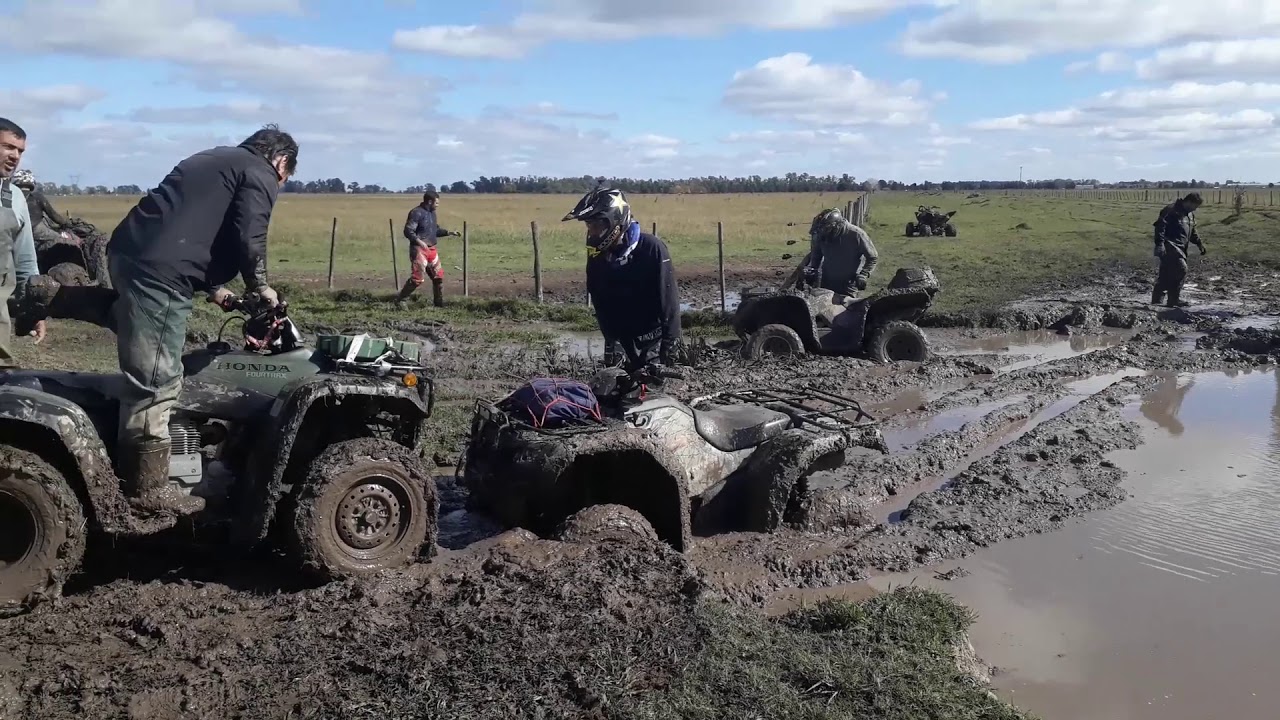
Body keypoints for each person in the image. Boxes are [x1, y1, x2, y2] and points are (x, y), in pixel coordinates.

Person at [106, 124, 297, 514]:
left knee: (130, 317)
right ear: (280, 162)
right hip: (162, 274)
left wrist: (221, 293)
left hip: (128, 253)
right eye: (285, 178)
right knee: (157, 380)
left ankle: (62, 300)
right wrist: (261, 287)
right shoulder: (260, 172)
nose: (279, 184)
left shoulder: (214, 160)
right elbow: (250, 235)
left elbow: (189, 232)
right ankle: (146, 490)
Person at [563, 186, 681, 370]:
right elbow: (599, 302)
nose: (592, 233)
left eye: (597, 226)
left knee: (651, 394)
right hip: (620, 340)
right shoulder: (597, 255)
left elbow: (670, 304)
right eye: (589, 226)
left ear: (615, 221)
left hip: (653, 341)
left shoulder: (652, 248)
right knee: (611, 392)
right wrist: (611, 341)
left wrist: (670, 348)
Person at [0, 118, 48, 367]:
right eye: (8, 147)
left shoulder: (14, 197)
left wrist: (34, 310)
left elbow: (26, 259)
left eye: (20, 151)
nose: (15, 156)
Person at [802, 207, 879, 351]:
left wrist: (864, 274)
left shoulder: (855, 234)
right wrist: (811, 271)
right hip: (827, 281)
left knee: (846, 318)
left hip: (848, 283)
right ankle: (825, 346)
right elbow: (816, 256)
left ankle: (851, 346)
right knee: (824, 315)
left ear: (836, 226)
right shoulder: (823, 236)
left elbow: (872, 257)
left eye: (827, 230)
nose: (825, 234)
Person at [396, 189, 460, 308]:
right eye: (436, 203)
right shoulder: (416, 213)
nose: (438, 205)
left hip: (431, 249)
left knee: (438, 277)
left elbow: (434, 231)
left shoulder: (432, 214)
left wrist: (449, 232)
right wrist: (419, 241)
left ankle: (438, 303)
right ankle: (401, 300)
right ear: (430, 202)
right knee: (417, 279)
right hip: (419, 249)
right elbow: (408, 231)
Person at [1152, 192, 1206, 308]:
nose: (1195, 209)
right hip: (1169, 245)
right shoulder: (1171, 210)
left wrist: (1199, 243)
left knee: (1166, 273)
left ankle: (1157, 300)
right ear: (1189, 202)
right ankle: (1173, 299)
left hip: (1181, 247)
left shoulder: (1190, 215)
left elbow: (1192, 231)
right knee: (1181, 269)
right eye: (1195, 206)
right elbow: (1160, 227)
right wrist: (1160, 244)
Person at [11, 168, 69, 248]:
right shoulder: (37, 196)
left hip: (14, 231)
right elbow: (53, 215)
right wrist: (65, 223)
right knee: (61, 239)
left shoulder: (10, 197)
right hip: (36, 229)